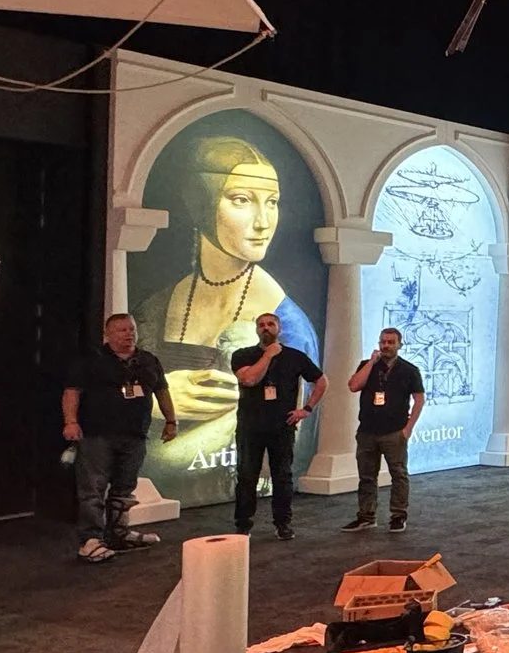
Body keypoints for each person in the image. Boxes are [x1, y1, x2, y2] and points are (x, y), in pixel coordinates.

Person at [139, 132, 321, 491]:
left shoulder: (290, 326)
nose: (263, 221)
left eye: (272, 202)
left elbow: (289, 442)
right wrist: (156, 401)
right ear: (201, 202)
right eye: (241, 200)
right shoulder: (157, 307)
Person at [61, 313, 178, 562]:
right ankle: (91, 541)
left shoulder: (148, 360)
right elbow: (72, 392)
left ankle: (118, 533)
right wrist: (70, 422)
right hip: (97, 434)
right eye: (122, 330)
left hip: (135, 434)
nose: (129, 334)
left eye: (132, 329)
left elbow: (162, 391)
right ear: (108, 334)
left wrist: (171, 421)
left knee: (125, 488)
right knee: (92, 490)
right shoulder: (91, 360)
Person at [231, 310, 324, 539]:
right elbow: (249, 379)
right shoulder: (243, 355)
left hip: (282, 426)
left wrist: (307, 409)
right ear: (256, 330)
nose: (266, 328)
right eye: (261, 324)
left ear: (279, 328)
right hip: (250, 427)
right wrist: (269, 355)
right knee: (246, 476)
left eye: (270, 324)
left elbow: (321, 381)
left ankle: (283, 524)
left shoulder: (295, 357)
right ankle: (243, 525)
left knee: (282, 477)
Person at [344, 326, 426, 533]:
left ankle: (398, 515)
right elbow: (353, 386)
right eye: (383, 342)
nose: (386, 346)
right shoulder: (367, 365)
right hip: (367, 431)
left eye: (391, 342)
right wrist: (371, 362)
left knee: (398, 474)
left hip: (394, 431)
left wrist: (408, 428)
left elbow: (419, 400)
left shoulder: (409, 370)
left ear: (400, 345)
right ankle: (366, 516)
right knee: (366, 476)